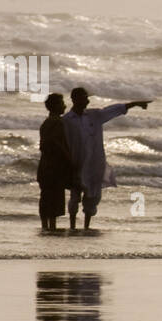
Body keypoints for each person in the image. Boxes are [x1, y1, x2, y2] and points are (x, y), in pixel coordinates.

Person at [62, 87, 150, 231]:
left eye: (86, 97)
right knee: (75, 196)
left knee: (92, 196)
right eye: (84, 97)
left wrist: (134, 104)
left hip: (95, 163)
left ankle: (86, 227)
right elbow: (63, 142)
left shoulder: (93, 115)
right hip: (76, 163)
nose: (87, 100)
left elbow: (112, 110)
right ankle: (72, 226)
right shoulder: (66, 120)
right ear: (74, 99)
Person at [37, 93, 72, 231]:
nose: (64, 105)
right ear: (55, 106)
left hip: (45, 165)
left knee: (46, 198)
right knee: (54, 198)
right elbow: (56, 143)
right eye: (61, 103)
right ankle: (51, 227)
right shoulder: (57, 122)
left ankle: (46, 227)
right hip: (54, 166)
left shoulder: (47, 122)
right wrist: (69, 158)